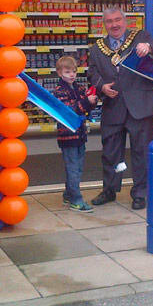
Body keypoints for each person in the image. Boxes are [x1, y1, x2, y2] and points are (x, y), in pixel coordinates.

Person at [88, 7, 153, 210]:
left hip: (141, 106)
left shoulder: (140, 36)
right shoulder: (97, 48)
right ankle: (109, 190)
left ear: (125, 21)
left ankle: (140, 193)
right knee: (111, 153)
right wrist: (101, 86)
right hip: (113, 107)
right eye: (109, 21)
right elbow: (92, 74)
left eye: (117, 20)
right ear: (103, 24)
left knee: (141, 152)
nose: (114, 25)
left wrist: (148, 47)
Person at [54, 55, 98, 212]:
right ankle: (76, 200)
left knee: (77, 167)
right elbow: (69, 111)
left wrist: (92, 101)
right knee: (73, 168)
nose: (71, 74)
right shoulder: (59, 91)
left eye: (73, 71)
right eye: (67, 72)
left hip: (80, 134)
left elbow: (84, 108)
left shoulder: (79, 88)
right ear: (59, 73)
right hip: (68, 136)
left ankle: (68, 193)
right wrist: (86, 102)